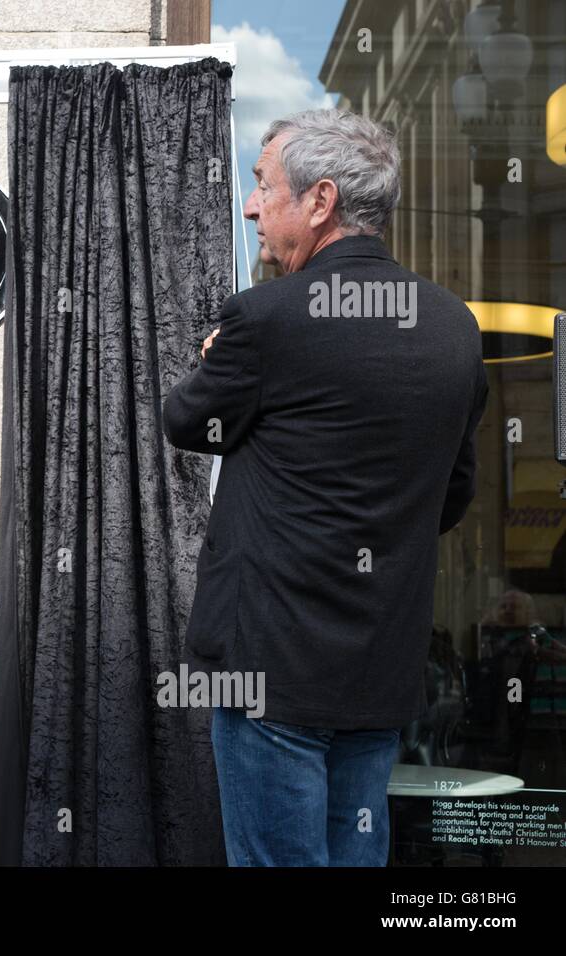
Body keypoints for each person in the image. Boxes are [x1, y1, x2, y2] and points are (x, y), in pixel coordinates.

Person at [162, 108, 488, 866]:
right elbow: (452, 496)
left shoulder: (264, 318)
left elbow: (186, 421)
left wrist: (214, 358)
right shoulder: (454, 327)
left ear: (321, 200)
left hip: (269, 667)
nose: (251, 207)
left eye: (262, 185)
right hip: (380, 664)